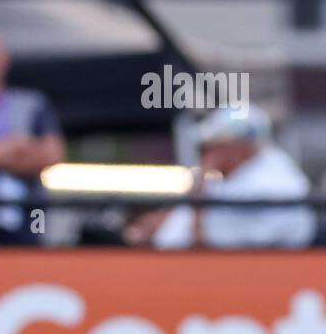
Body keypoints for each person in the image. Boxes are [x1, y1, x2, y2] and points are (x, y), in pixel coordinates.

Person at [124, 106, 315, 249]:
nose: (206, 154)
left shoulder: (272, 184)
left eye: (212, 145)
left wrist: (199, 185)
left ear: (237, 145)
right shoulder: (239, 177)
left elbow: (201, 244)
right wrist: (158, 222)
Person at [0, 24, 65, 245]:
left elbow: (52, 154)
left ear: (4, 58)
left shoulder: (32, 104)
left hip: (27, 218)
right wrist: (16, 148)